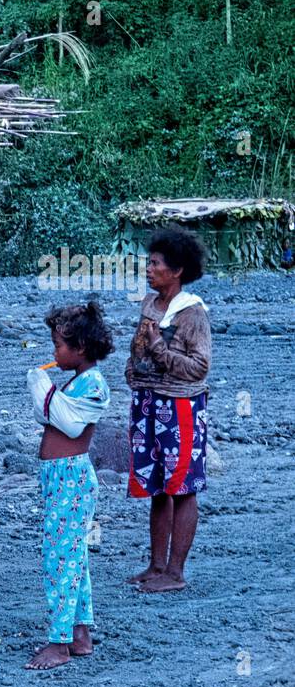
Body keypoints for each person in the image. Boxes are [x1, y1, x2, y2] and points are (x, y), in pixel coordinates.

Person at [26, 302, 113, 670]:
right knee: (72, 557)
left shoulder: (93, 383)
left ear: (81, 348)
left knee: (59, 559)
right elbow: (54, 413)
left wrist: (43, 390)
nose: (54, 353)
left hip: (71, 479)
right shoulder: (78, 380)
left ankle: (59, 642)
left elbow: (68, 423)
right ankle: (79, 633)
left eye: (59, 345)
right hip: (61, 478)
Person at [126, 227, 210, 593]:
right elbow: (138, 350)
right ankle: (157, 565)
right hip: (150, 401)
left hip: (181, 406)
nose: (149, 269)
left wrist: (158, 350)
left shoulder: (191, 314)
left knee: (183, 486)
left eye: (155, 264)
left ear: (176, 271)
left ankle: (175, 572)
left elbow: (200, 366)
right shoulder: (151, 305)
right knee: (158, 486)